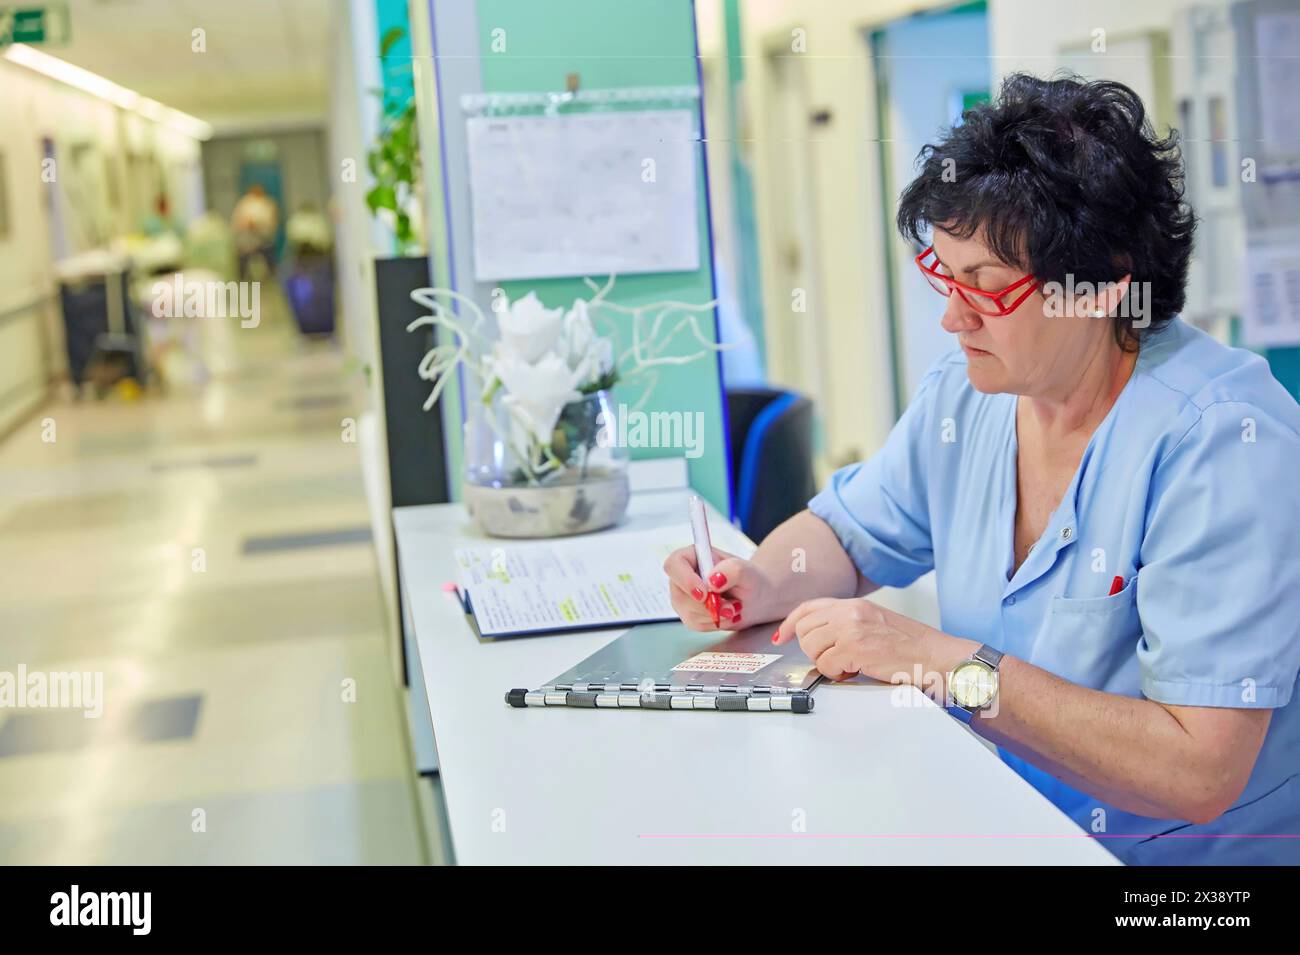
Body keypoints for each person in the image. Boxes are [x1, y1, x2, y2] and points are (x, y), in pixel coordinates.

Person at [664, 73, 1300, 865]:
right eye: (943, 273)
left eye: (988, 289)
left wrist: (937, 660)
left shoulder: (1221, 441)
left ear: (1104, 284)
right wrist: (755, 582)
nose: (952, 315)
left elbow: (1198, 769)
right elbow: (849, 534)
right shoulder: (970, 400)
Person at [231, 183, 279, 279]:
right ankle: (243, 277)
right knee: (243, 257)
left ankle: (272, 276)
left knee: (269, 256)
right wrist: (246, 224)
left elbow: (272, 222)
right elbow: (237, 221)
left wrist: (258, 225)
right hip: (247, 239)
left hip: (264, 238)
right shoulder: (244, 203)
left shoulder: (268, 204)